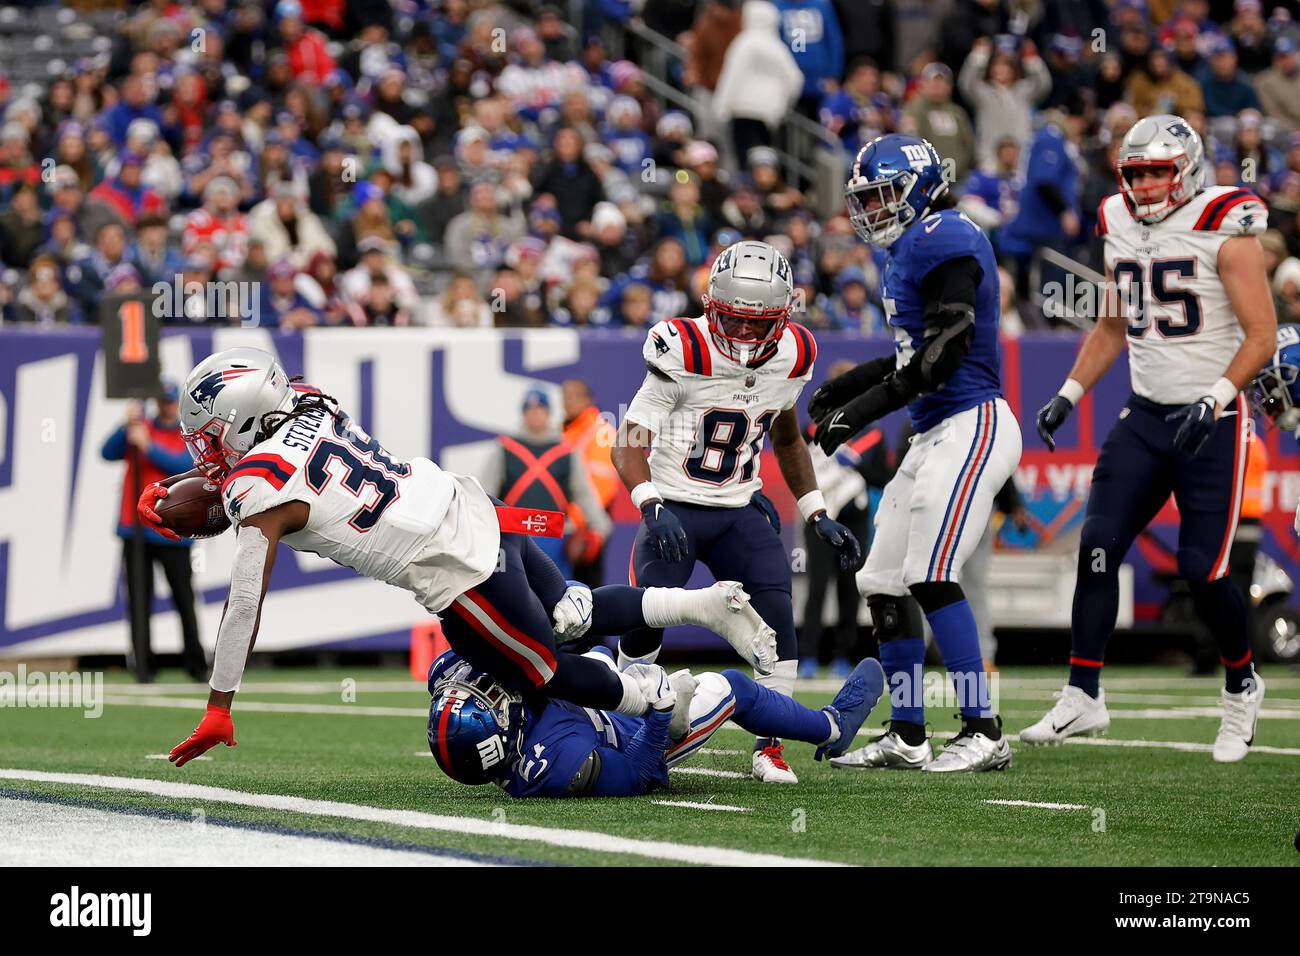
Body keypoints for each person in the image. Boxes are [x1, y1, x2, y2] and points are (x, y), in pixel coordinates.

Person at [149, 349, 778, 766]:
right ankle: (703, 604)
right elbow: (241, 489)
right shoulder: (312, 401)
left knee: (545, 674)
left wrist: (218, 705)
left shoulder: (256, 489)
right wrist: (200, 503)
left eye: (208, 436)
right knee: (573, 610)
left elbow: (243, 601)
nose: (204, 451)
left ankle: (663, 701)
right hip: (475, 508)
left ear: (243, 421)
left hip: (460, 572)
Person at [1026, 115, 1276, 764]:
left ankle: (1241, 682)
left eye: (1156, 171)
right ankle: (1083, 694)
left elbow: (1261, 335)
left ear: (1187, 169)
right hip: (1145, 415)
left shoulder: (1226, 222)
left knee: (1203, 567)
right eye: (1133, 173)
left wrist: (1216, 398)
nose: (1143, 185)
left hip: (1211, 420)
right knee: (1100, 545)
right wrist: (1069, 393)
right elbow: (1112, 325)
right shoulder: (1117, 219)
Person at [611, 239, 862, 784]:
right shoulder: (682, 347)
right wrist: (651, 503)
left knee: (777, 624)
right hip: (674, 505)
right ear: (711, 306)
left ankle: (770, 746)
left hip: (739, 509)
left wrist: (816, 512)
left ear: (784, 316)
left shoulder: (795, 352)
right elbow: (627, 444)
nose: (746, 335)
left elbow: (789, 440)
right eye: (735, 321)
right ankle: (624, 728)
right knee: (641, 626)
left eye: (759, 323)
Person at [810, 134, 1021, 773]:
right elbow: (909, 355)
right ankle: (907, 733)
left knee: (930, 571)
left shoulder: (948, 237)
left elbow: (943, 356)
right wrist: (845, 388)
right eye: (864, 198)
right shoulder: (907, 248)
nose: (870, 209)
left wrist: (862, 411)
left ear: (919, 185)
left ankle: (984, 730)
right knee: (881, 579)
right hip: (935, 431)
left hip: (972, 421)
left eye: (881, 194)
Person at [427, 647, 883, 797]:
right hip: (634, 734)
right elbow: (641, 774)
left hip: (587, 706)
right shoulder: (555, 762)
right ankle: (833, 728)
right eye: (487, 698)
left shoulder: (493, 715)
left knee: (591, 650)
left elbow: (444, 672)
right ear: (504, 735)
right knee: (732, 688)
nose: (485, 686)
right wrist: (661, 713)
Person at [101, 381, 206, 683]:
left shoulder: (187, 436)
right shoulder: (139, 428)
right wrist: (126, 426)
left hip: (173, 530)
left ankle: (196, 664)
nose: (166, 407)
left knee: (184, 600)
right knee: (138, 601)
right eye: (162, 402)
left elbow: (185, 467)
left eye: (171, 402)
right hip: (134, 531)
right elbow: (107, 452)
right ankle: (144, 666)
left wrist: (149, 446)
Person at [479, 388, 612, 578]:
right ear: (523, 413)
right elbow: (486, 492)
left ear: (548, 413)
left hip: (555, 537)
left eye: (540, 409)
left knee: (555, 597)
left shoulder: (566, 452)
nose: (535, 414)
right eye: (530, 410)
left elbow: (584, 493)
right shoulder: (505, 449)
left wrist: (599, 527)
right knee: (514, 595)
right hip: (514, 536)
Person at [562, 379, 620, 588]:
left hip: (587, 527)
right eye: (564, 396)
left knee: (588, 590)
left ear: (588, 400)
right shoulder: (566, 432)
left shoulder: (601, 432)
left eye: (573, 396)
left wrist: (578, 524)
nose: (567, 402)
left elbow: (602, 486)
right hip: (567, 527)